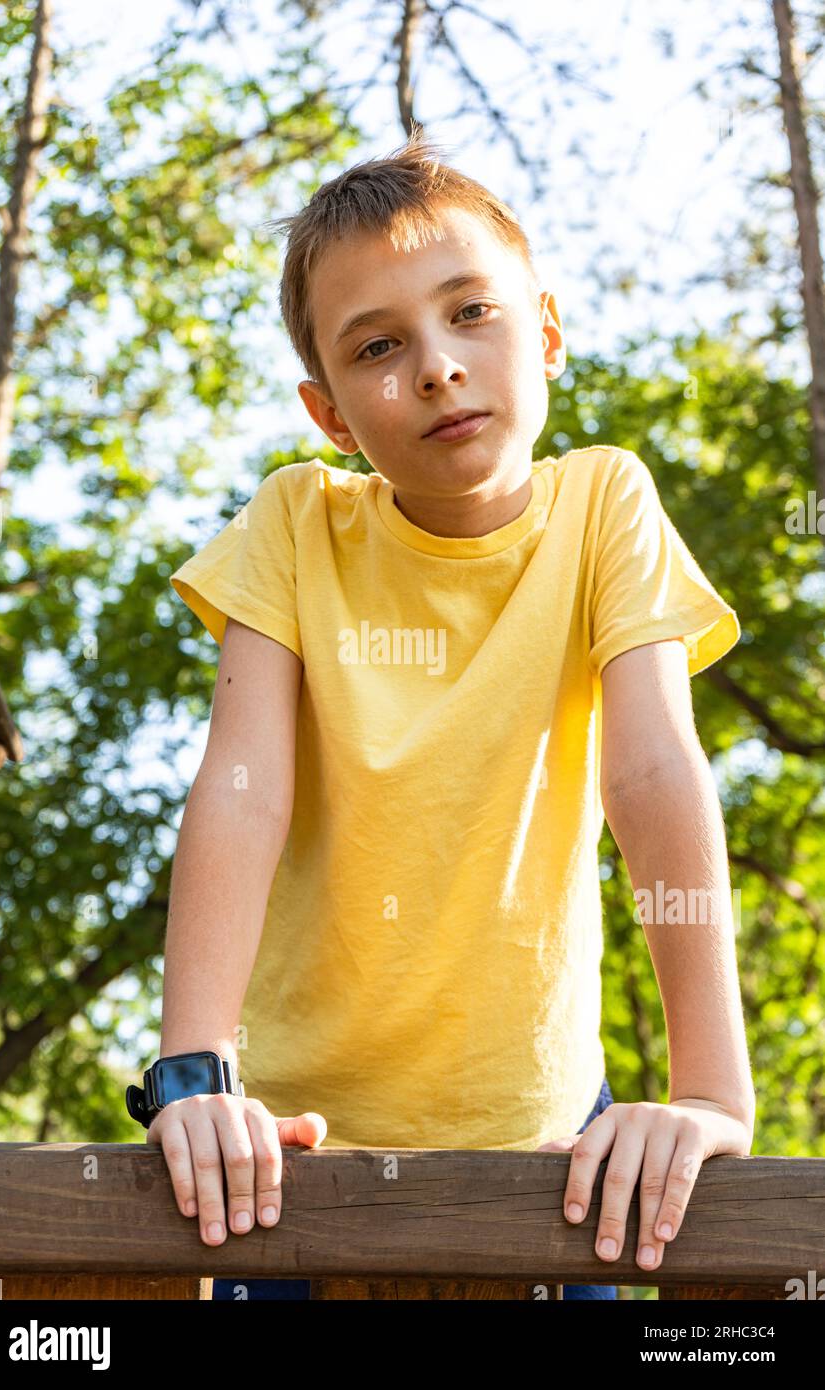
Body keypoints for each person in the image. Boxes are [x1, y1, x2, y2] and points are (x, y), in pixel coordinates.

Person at [153, 134, 756, 1302]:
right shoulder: (290, 522)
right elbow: (242, 790)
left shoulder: (602, 504)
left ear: (544, 335)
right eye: (378, 346)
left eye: (468, 312)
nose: (434, 366)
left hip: (541, 1154)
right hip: (288, 1153)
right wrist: (194, 1076)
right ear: (329, 414)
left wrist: (706, 1094)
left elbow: (649, 773)